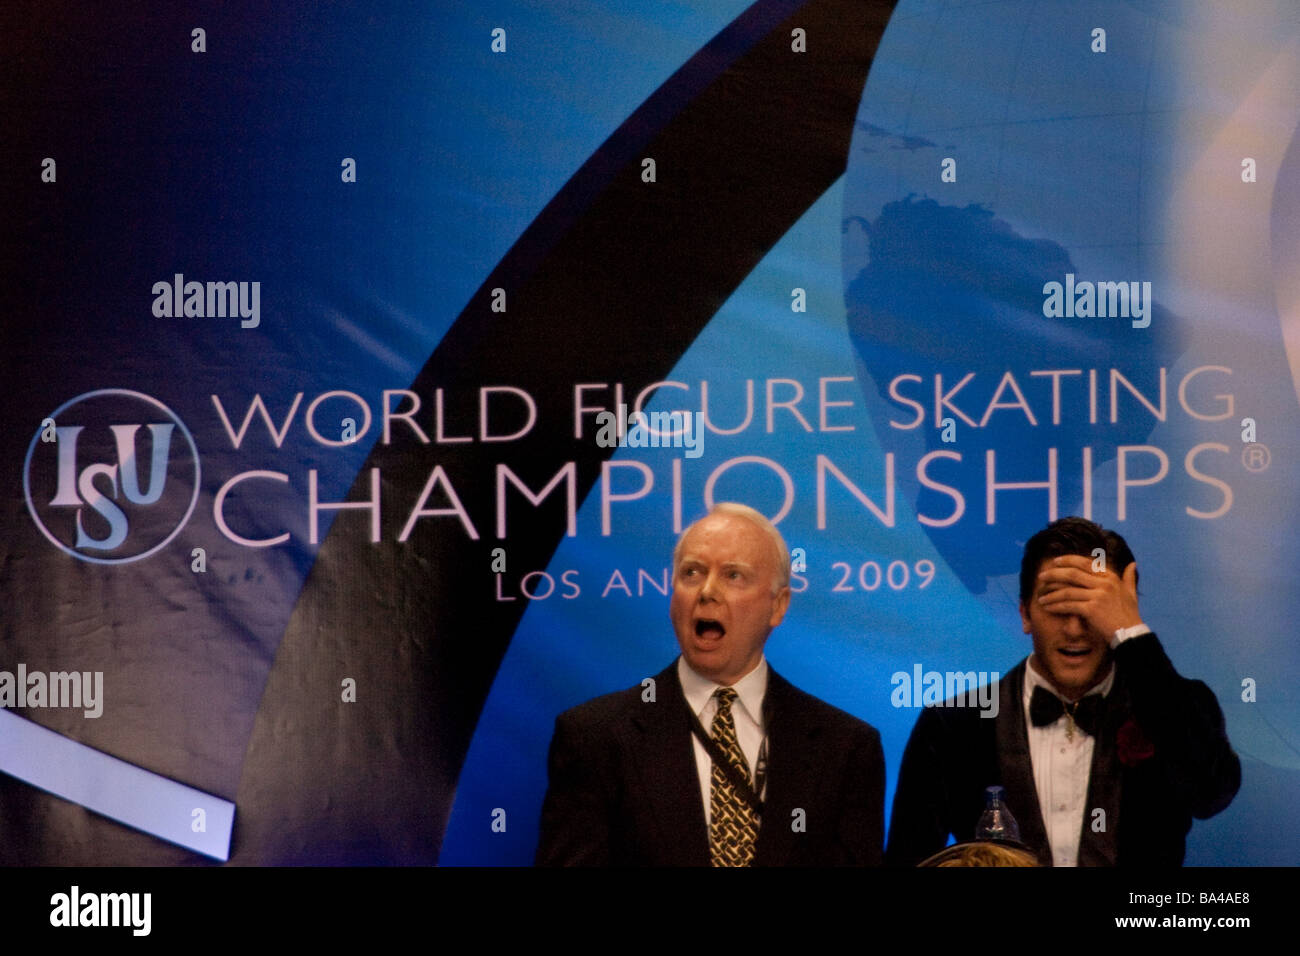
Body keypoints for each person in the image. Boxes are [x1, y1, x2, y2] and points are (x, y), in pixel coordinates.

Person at [536, 502, 885, 866]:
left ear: (778, 605)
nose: (706, 591)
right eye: (692, 573)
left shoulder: (846, 748)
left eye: (733, 575)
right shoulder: (595, 738)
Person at [886, 517, 1241, 867]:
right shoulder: (953, 723)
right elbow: (908, 858)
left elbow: (1211, 795)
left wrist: (1131, 636)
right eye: (1057, 607)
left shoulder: (1177, 706)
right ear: (1025, 614)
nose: (1074, 630)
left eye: (1093, 609)